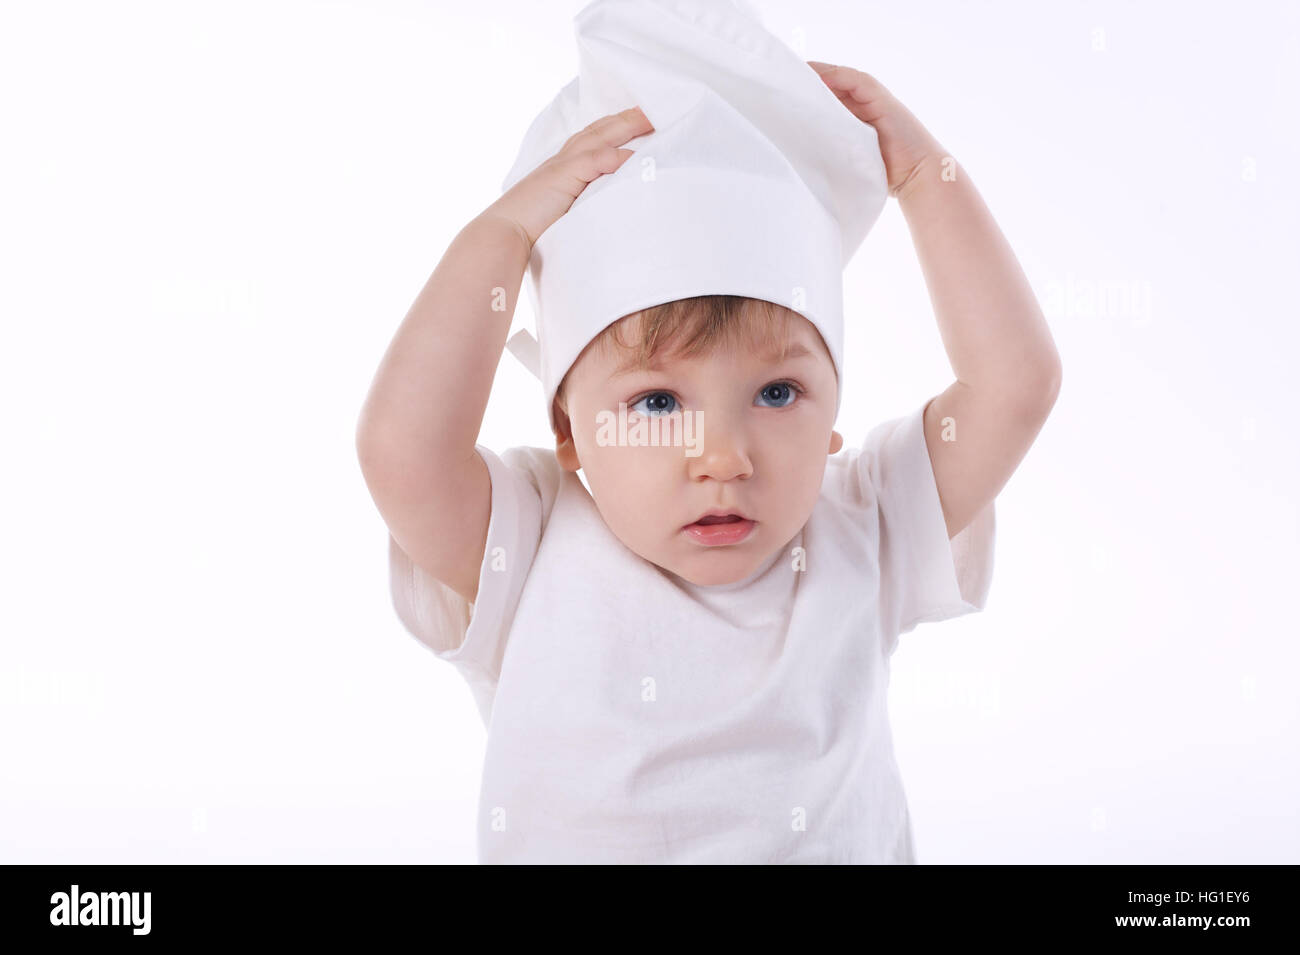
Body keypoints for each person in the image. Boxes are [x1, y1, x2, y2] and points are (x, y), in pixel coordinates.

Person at [356, 4, 1060, 864]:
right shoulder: (527, 542)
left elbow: (1014, 385)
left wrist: (927, 179)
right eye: (657, 403)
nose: (724, 456)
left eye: (778, 390)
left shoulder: (864, 522)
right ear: (569, 434)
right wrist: (501, 236)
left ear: (835, 413)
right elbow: (403, 451)